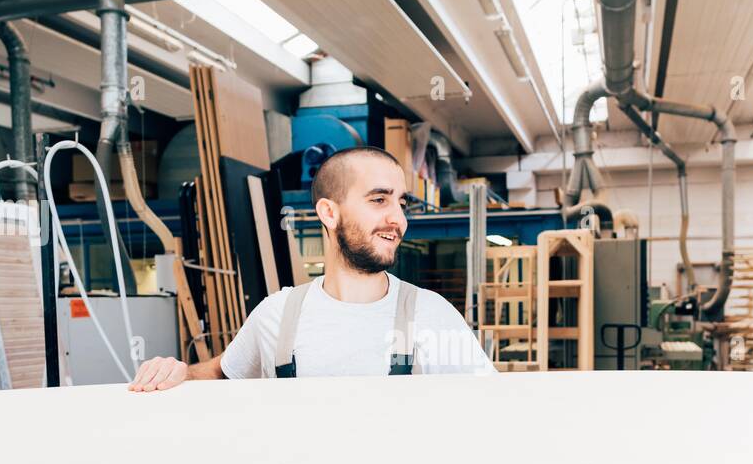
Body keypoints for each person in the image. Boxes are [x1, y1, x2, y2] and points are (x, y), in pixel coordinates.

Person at [130, 145, 494, 390]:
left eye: (400, 203)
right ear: (328, 213)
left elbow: (490, 408)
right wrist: (178, 372)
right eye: (379, 200)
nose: (397, 219)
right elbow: (221, 372)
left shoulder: (431, 315)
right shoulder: (278, 314)